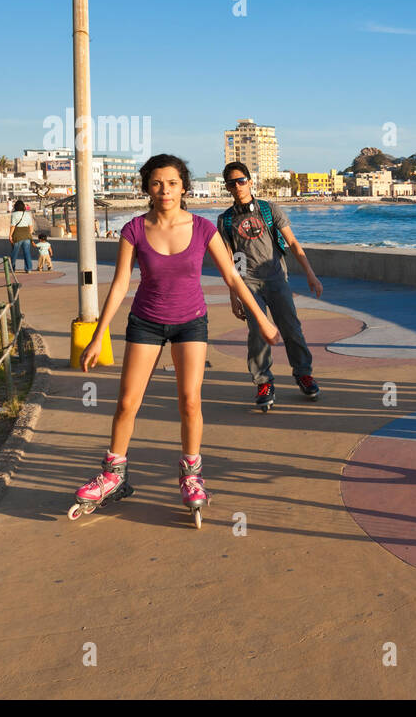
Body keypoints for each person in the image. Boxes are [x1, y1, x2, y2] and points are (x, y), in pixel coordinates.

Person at [75, 154, 281, 518]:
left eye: (171, 183)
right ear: (147, 188)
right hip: (146, 321)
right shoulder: (134, 229)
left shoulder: (203, 228)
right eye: (156, 183)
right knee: (127, 403)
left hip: (191, 323)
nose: (164, 190)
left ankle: (191, 476)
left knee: (189, 401)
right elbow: (121, 283)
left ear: (184, 186)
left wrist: (261, 319)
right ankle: (114, 474)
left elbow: (233, 276)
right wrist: (97, 335)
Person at [217, 161, 324, 409]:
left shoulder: (269, 210)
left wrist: (310, 274)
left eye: (241, 180)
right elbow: (229, 260)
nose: (238, 186)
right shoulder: (226, 220)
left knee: (291, 329)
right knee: (257, 333)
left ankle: (303, 374)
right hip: (248, 284)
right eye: (232, 183)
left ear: (250, 181)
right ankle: (263, 382)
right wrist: (234, 296)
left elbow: (294, 244)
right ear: (228, 188)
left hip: (276, 278)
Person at [9, 199, 35, 274]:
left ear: (15, 207)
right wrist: (29, 234)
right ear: (23, 206)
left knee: (14, 252)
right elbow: (30, 227)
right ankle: (29, 268)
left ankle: (12, 268)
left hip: (17, 235)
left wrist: (10, 235)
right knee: (27, 253)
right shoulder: (27, 214)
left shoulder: (14, 214)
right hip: (26, 235)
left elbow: (13, 226)